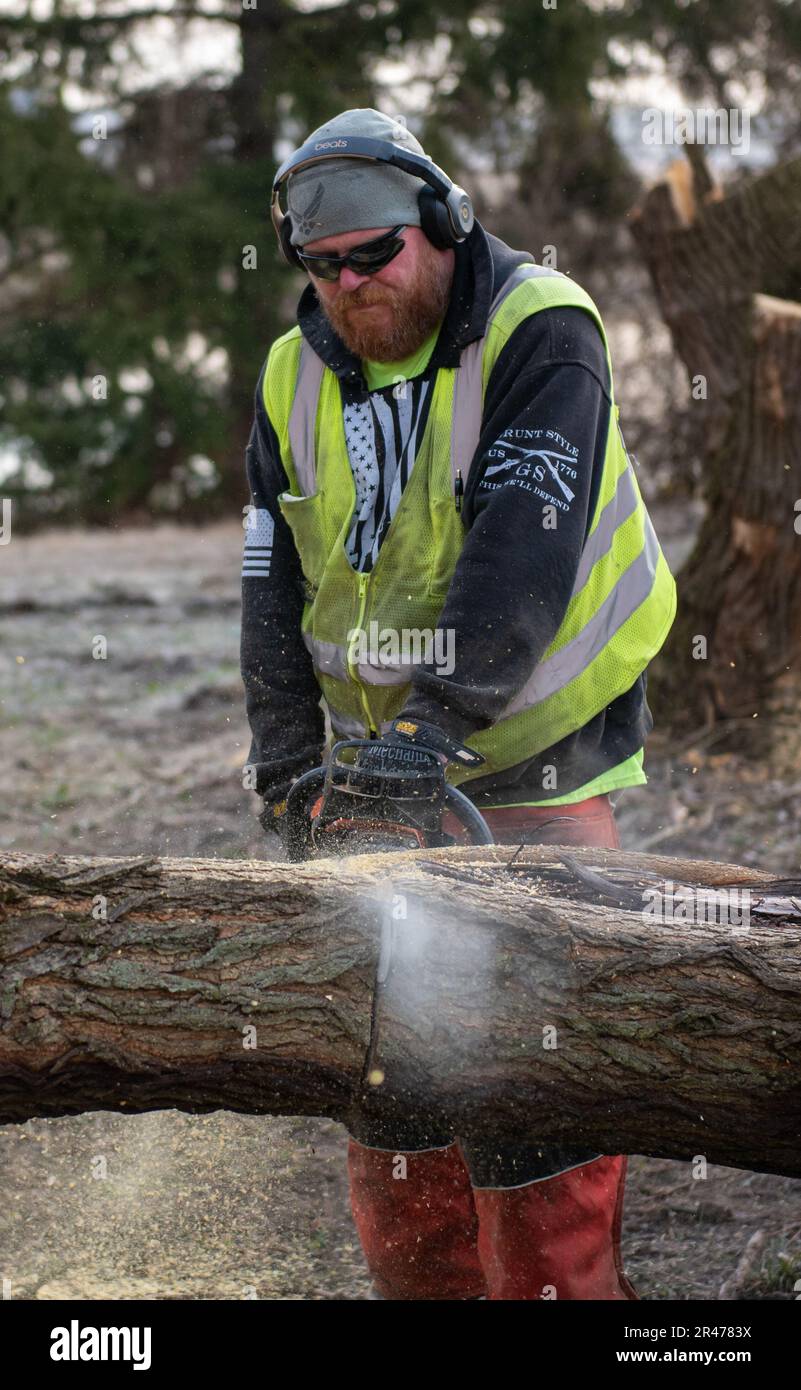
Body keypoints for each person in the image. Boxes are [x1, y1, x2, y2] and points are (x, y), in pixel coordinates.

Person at [240, 107, 677, 1300]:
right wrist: (286, 764)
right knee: (397, 1136)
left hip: (539, 767)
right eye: (321, 266)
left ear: (438, 224)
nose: (348, 285)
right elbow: (268, 586)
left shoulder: (540, 330)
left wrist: (438, 723)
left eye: (372, 254)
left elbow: (520, 557)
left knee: (540, 1137)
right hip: (384, 792)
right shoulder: (293, 373)